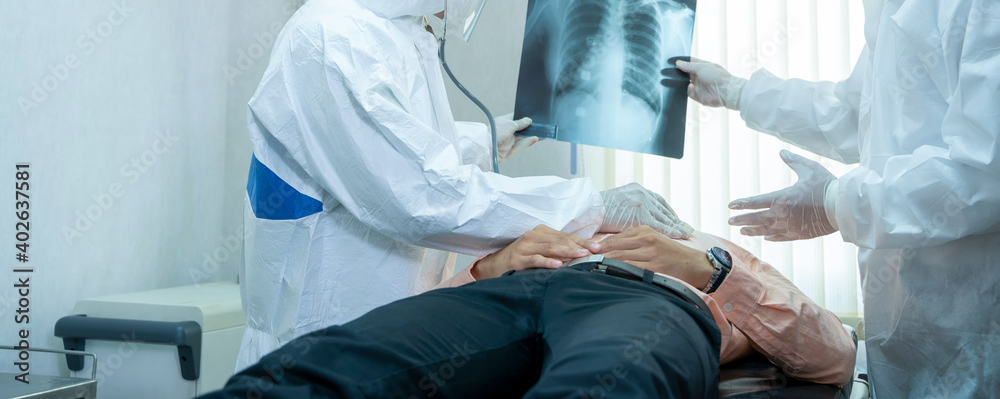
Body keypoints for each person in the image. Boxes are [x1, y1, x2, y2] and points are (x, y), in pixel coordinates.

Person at [237, 0, 693, 370]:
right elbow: (418, 194)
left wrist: (485, 138)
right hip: (321, 344)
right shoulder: (329, 41)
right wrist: (591, 204)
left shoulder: (395, 30)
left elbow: (389, 141)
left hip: (389, 332)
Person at [676, 0, 1000, 397]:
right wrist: (740, 92)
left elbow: (983, 172)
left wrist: (835, 206)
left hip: (975, 316)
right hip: (914, 312)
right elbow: (859, 117)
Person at [203, 224, 856, 398]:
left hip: (652, 298)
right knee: (327, 364)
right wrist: (492, 263)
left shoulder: (709, 251)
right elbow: (420, 322)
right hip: (521, 287)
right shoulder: (551, 231)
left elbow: (833, 354)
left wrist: (707, 265)